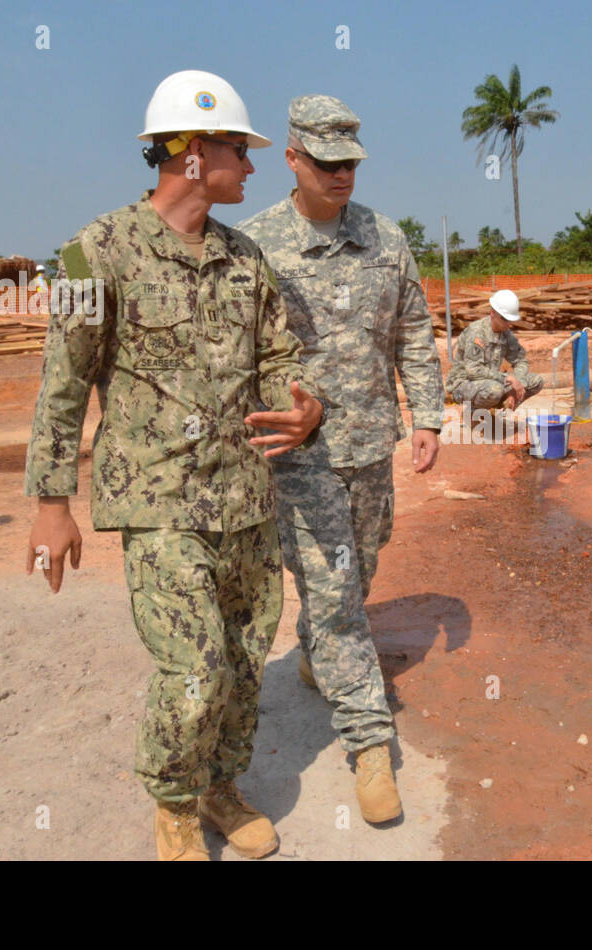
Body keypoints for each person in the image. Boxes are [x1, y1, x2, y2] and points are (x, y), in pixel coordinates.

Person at [23, 70, 323, 861]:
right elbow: (64, 384)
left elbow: (279, 358)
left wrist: (307, 410)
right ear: (192, 152)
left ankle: (222, 786)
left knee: (245, 659)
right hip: (159, 503)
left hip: (246, 499)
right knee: (194, 666)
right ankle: (175, 804)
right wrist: (52, 502)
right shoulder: (94, 253)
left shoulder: (247, 259)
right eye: (239, 148)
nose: (252, 168)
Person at [238, 95, 444, 825]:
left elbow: (414, 333)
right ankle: (369, 746)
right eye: (326, 163)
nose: (341, 175)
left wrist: (427, 417)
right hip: (299, 456)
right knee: (335, 597)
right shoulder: (254, 244)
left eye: (350, 162)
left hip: (371, 446)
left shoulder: (386, 240)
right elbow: (237, 352)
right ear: (293, 159)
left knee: (362, 563)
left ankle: (314, 650)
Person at [445, 289, 544, 410]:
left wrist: (515, 386)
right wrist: (506, 378)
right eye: (504, 319)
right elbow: (473, 370)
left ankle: (501, 406)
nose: (508, 323)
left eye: (510, 320)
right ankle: (471, 413)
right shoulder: (477, 333)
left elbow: (520, 361)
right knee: (495, 389)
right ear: (492, 313)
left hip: (491, 383)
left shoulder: (506, 334)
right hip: (464, 384)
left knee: (536, 381)